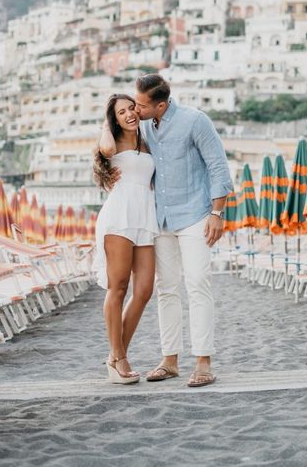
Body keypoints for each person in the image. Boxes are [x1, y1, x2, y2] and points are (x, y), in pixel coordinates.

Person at [134, 74, 233, 387]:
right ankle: (169, 360)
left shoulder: (195, 121)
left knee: (198, 283)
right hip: (160, 218)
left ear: (160, 105)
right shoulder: (144, 126)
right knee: (167, 288)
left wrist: (217, 213)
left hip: (195, 215)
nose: (136, 109)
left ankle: (203, 362)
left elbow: (218, 166)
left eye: (141, 104)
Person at [92, 93, 159, 384]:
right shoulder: (113, 142)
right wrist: (105, 125)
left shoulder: (148, 142)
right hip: (119, 217)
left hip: (144, 217)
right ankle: (119, 357)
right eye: (121, 112)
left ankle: (115, 355)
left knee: (144, 290)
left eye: (132, 108)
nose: (130, 114)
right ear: (114, 119)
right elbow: (105, 149)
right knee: (117, 287)